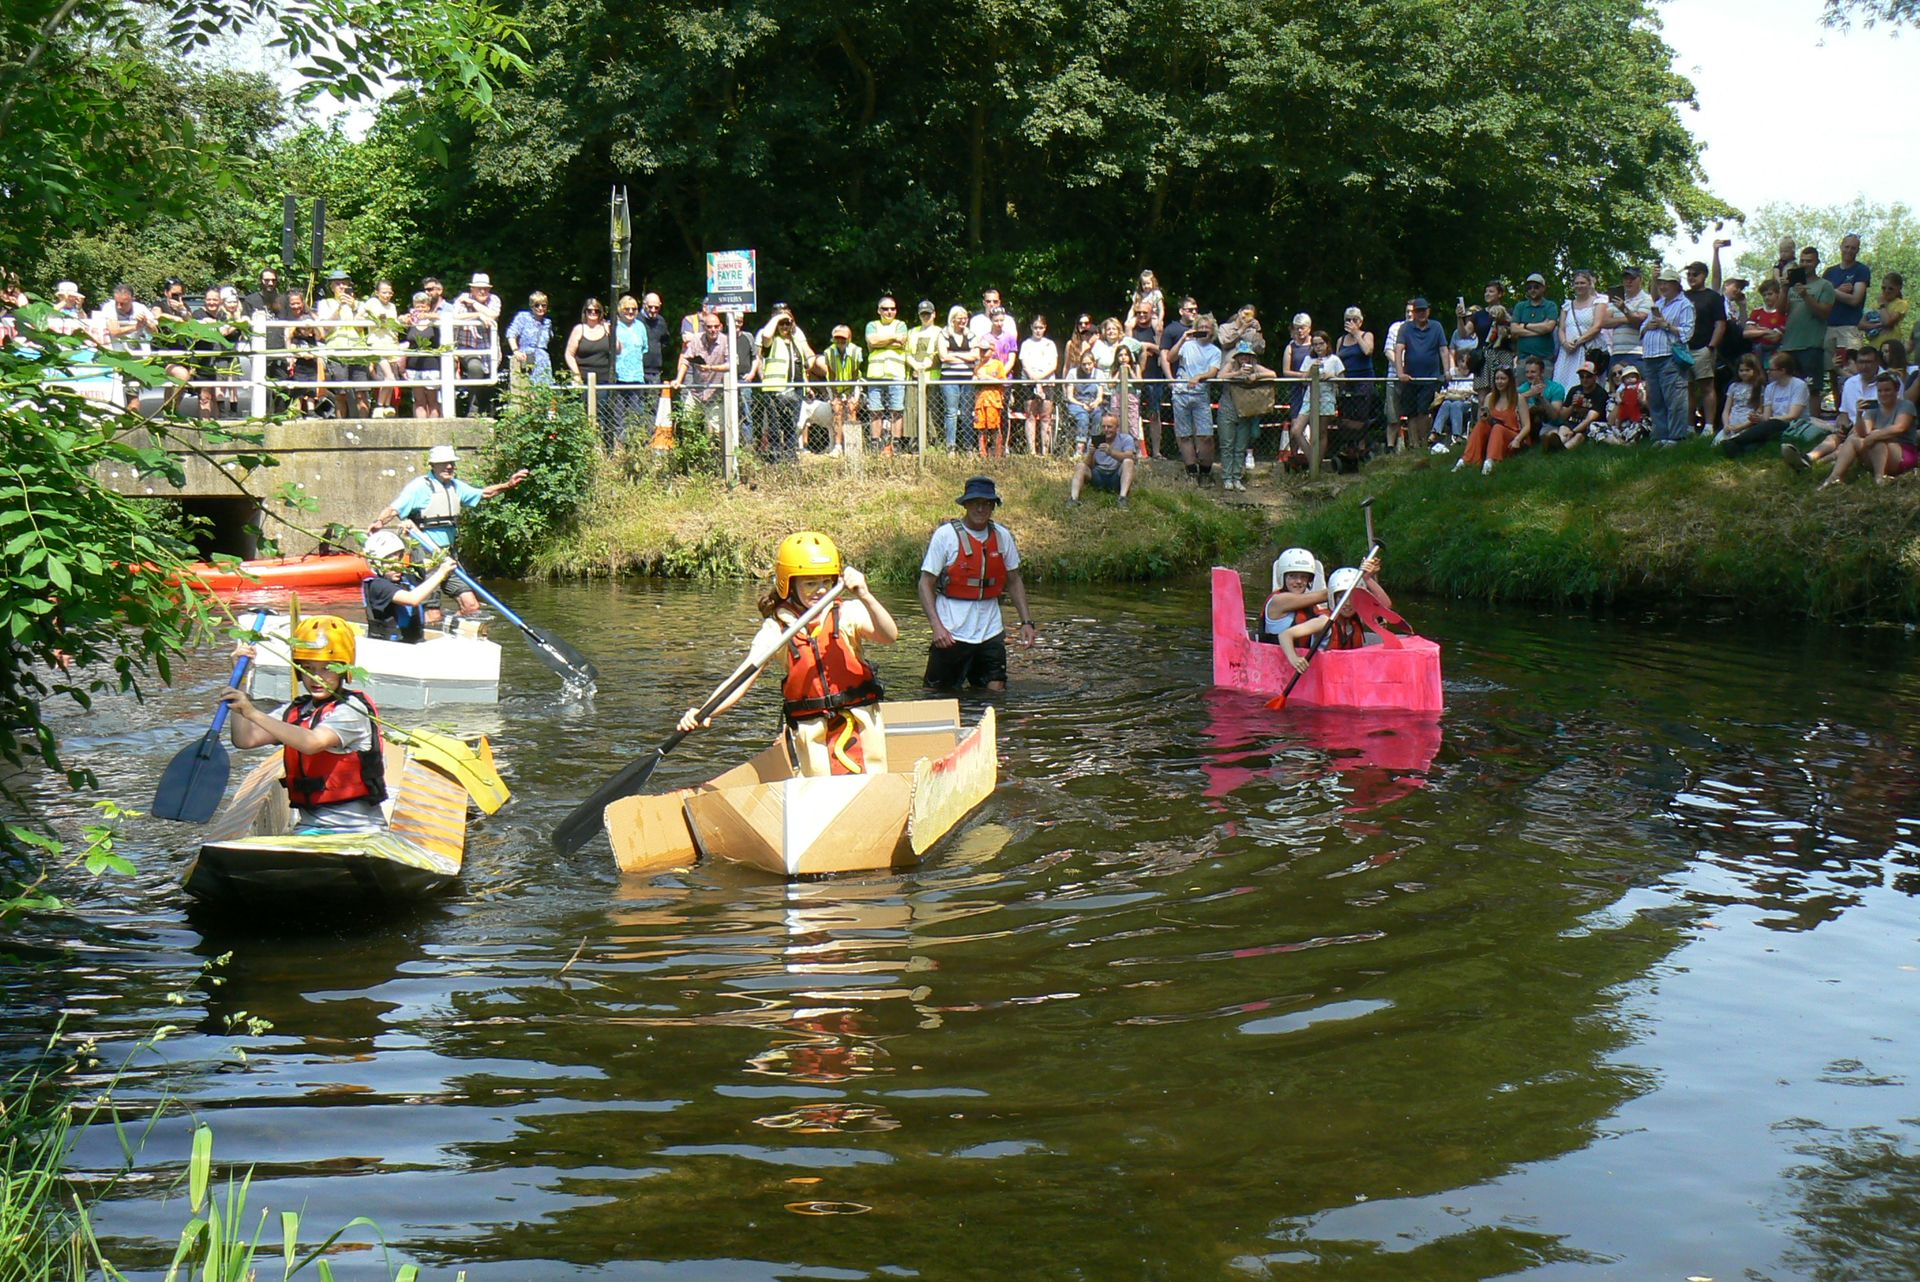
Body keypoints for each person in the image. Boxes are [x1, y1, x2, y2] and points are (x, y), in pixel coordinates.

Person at [676, 532, 899, 777]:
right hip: (812, 732)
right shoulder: (776, 630)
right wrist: (705, 712)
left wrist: (865, 595)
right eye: (810, 583)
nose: (820, 590)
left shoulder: (848, 613)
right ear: (789, 585)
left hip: (860, 725)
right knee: (820, 788)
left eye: (827, 581)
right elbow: (741, 679)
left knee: (869, 784)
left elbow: (889, 635)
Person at [219, 616, 387, 835]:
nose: (316, 677)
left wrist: (252, 712)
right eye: (308, 668)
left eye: (327, 668)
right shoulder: (297, 710)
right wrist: (241, 681)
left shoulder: (352, 710)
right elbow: (245, 739)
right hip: (310, 828)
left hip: (359, 829)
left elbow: (312, 743)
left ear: (344, 669)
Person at [368, 444, 531, 614]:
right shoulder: (419, 487)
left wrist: (508, 485)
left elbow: (485, 493)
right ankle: (429, 625)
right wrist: (379, 521)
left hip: (448, 555)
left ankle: (449, 625)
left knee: (471, 606)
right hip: (426, 555)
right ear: (432, 465)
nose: (449, 466)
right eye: (444, 463)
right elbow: (394, 509)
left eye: (452, 463)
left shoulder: (455, 486)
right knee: (432, 611)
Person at [918, 476, 1036, 693]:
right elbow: (926, 583)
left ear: (993, 506)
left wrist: (1026, 622)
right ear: (965, 504)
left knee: (996, 689)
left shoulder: (1002, 536)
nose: (980, 508)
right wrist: (936, 626)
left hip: (990, 630)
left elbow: (1014, 580)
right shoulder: (945, 536)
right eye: (975, 503)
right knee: (936, 694)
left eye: (986, 503)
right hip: (952, 632)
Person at [1276, 559, 1392, 672]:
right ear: (1333, 599)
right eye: (1342, 597)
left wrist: (1367, 579)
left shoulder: (1357, 617)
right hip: (1324, 676)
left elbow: (1385, 606)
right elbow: (1285, 635)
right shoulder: (1324, 621)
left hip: (1347, 674)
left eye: (1352, 597)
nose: (1347, 603)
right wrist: (1294, 658)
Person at [1818, 369, 1916, 489]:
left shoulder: (1906, 405)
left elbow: (1900, 427)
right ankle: (1835, 477)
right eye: (1880, 391)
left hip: (1902, 453)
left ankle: (1880, 478)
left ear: (1896, 391)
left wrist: (1875, 436)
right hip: (1878, 453)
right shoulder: (1874, 408)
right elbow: (1863, 433)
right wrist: (1859, 415)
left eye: (1887, 390)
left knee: (1878, 439)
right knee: (1853, 439)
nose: (1883, 394)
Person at [360, 529, 458, 642]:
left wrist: (414, 534)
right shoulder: (376, 585)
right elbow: (412, 599)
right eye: (390, 563)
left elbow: (437, 560)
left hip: (413, 642)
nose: (397, 566)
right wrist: (441, 573)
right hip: (390, 646)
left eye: (399, 560)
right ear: (376, 564)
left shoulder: (406, 577)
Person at [1641, 267, 1696, 444]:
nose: (1663, 286)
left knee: (1675, 399)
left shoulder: (1685, 305)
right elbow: (1642, 328)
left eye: (1666, 283)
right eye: (1661, 283)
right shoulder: (1659, 304)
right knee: (1655, 400)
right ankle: (1661, 436)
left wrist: (1666, 325)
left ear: (1676, 285)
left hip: (1669, 357)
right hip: (1650, 357)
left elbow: (1687, 333)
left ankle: (1677, 437)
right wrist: (1648, 326)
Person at [1167, 311, 1222, 484]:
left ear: (1212, 330)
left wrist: (1199, 377)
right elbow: (1170, 357)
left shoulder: (1215, 351)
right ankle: (1191, 472)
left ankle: (1205, 472)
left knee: (1205, 435)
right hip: (1180, 393)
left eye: (1207, 327)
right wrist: (1183, 338)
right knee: (1184, 435)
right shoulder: (1187, 345)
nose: (1204, 330)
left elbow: (1213, 371)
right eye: (1201, 327)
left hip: (1200, 395)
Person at [1395, 297, 1449, 448]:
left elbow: (1443, 350)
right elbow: (1398, 350)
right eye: (1418, 310)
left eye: (1424, 310)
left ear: (1428, 311)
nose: (1421, 313)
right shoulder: (1405, 328)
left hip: (1430, 378)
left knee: (1424, 411)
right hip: (1410, 378)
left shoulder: (1436, 327)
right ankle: (1414, 445)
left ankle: (1425, 443)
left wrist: (1447, 371)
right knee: (1411, 413)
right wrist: (1400, 373)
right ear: (1413, 312)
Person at [315, 270, 370, 420]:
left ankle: (365, 425)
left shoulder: (360, 305)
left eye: (345, 283)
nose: (341, 286)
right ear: (331, 287)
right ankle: (340, 425)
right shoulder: (325, 304)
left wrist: (353, 308)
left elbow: (362, 327)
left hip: (358, 351)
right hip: (337, 352)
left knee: (362, 392)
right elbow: (325, 328)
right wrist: (339, 307)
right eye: (338, 284)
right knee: (340, 393)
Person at [1456, 364, 1529, 474]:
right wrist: (1484, 416)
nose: (1499, 382)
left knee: (1498, 428)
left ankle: (1491, 461)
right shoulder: (1490, 397)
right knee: (1481, 425)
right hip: (1493, 433)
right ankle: (1467, 459)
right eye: (1497, 379)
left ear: (1509, 380)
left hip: (1512, 436)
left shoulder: (1518, 398)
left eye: (1503, 379)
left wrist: (1517, 440)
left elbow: (1527, 426)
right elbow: (1484, 420)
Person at [1682, 260, 1727, 433]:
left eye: (1695, 274)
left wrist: (1711, 347)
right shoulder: (1682, 296)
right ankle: (1689, 426)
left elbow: (1720, 324)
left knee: (1707, 387)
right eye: (1688, 274)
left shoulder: (1713, 297)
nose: (1691, 278)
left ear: (1704, 275)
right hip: (1684, 349)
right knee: (1688, 388)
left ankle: (1708, 426)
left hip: (1703, 348)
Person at [452, 272, 502, 414]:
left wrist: (473, 304)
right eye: (479, 288)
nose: (482, 291)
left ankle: (485, 413)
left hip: (489, 348)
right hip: (468, 347)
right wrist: (478, 315)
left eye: (485, 289)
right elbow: (455, 316)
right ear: (472, 289)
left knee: (488, 383)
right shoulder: (462, 298)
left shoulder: (494, 299)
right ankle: (472, 411)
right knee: (475, 368)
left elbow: (493, 314)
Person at [865, 295, 909, 454]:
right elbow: (872, 342)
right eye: (885, 309)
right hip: (875, 375)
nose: (889, 311)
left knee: (897, 410)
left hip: (896, 374)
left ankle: (895, 444)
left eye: (893, 308)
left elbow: (901, 342)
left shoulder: (901, 325)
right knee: (875, 410)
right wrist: (893, 338)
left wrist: (882, 341)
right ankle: (875, 444)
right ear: (879, 310)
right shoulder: (872, 325)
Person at [1554, 269, 1612, 390]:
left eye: (1582, 283)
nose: (1579, 286)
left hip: (1588, 350)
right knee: (1563, 385)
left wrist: (1578, 341)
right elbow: (1561, 329)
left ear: (1589, 284)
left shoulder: (1598, 303)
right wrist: (1564, 343)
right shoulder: (1567, 305)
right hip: (1568, 352)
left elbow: (1597, 326)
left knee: (1586, 385)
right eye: (1577, 283)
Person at [1260, 546, 1327, 642]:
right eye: (1292, 576)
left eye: (1304, 577)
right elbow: (1325, 595)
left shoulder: (1312, 605)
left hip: (1299, 652)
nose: (1299, 581)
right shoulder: (1278, 601)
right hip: (1274, 651)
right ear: (1283, 577)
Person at [1069, 412, 1137, 506]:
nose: (1106, 430)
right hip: (1098, 476)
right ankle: (1073, 499)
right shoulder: (1095, 440)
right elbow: (1089, 465)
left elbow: (1130, 456)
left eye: (1109, 427)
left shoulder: (1126, 439)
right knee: (1080, 466)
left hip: (1116, 476)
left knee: (1128, 462)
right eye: (1103, 426)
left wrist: (1111, 453)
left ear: (1117, 428)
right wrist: (1091, 454)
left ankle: (1122, 498)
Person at [612, 295, 651, 445]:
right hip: (619, 377)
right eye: (626, 309)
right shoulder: (614, 326)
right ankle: (619, 445)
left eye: (633, 309)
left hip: (637, 376)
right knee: (619, 414)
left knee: (636, 413)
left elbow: (644, 348)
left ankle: (635, 444)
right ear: (620, 310)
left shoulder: (640, 326)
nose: (630, 312)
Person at [1543, 362, 1608, 450]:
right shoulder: (1574, 390)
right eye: (1581, 376)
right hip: (1571, 423)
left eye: (1588, 376)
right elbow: (1562, 416)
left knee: (1578, 436)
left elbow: (1590, 418)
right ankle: (1557, 445)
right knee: (1563, 428)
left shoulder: (1600, 393)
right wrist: (1572, 406)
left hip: (1589, 427)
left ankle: (1562, 449)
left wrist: (1573, 432)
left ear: (1595, 377)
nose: (1584, 379)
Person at [938, 306, 978, 450]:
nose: (963, 321)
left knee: (967, 412)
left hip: (968, 378)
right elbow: (943, 357)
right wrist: (966, 357)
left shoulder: (971, 335)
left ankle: (968, 446)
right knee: (951, 412)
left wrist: (954, 354)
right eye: (960, 318)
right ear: (953, 319)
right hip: (949, 379)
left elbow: (975, 356)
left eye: (965, 318)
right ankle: (951, 446)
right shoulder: (944, 334)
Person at [1018, 315, 1059, 455]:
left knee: (1046, 417)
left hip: (1047, 382)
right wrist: (1034, 379)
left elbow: (1053, 365)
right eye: (1035, 327)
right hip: (1029, 382)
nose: (1038, 330)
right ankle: (1032, 452)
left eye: (1041, 327)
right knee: (1030, 416)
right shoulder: (1026, 344)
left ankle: (1045, 451)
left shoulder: (1050, 344)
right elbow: (1024, 364)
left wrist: (1040, 379)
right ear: (1031, 327)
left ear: (1045, 328)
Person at [1711, 353, 1766, 450]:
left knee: (1741, 441)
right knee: (1719, 444)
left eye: (1747, 370)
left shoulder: (1759, 388)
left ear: (1755, 370)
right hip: (1733, 419)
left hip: (1747, 421)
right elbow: (1726, 410)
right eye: (1741, 370)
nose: (1744, 373)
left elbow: (1759, 412)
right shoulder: (1734, 386)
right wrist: (1726, 424)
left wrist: (1741, 426)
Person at [505, 291, 554, 385]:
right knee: (525, 387)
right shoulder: (523, 317)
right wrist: (516, 351)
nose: (540, 308)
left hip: (543, 360)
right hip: (525, 357)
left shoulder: (548, 323)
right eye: (537, 305)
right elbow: (511, 334)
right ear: (531, 306)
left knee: (544, 388)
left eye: (543, 305)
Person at [972, 337, 1010, 457]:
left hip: (993, 401)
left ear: (992, 351)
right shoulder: (978, 366)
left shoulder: (997, 365)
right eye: (981, 350)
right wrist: (975, 379)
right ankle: (983, 454)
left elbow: (1004, 382)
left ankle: (997, 455)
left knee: (994, 428)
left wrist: (987, 378)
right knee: (981, 428)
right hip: (980, 402)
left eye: (985, 350)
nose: (982, 353)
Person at [1065, 348, 1107, 450]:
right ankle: (1080, 446)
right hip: (1077, 403)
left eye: (1089, 364)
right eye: (1084, 364)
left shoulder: (1099, 374)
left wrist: (1095, 403)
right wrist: (1082, 404)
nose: (1087, 367)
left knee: (1098, 415)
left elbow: (1100, 396)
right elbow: (1070, 396)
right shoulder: (1073, 373)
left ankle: (1095, 445)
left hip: (1093, 401)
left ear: (1094, 363)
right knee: (1083, 417)